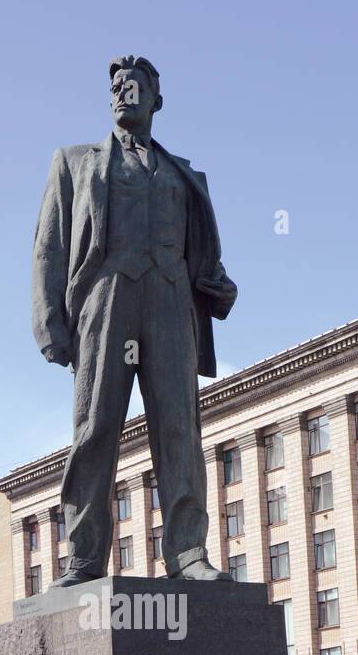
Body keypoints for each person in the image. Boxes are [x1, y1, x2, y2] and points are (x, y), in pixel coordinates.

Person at [32, 55, 237, 585]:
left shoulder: (184, 175)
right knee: (96, 426)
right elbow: (49, 247)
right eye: (117, 87)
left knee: (179, 428)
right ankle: (84, 556)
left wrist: (219, 283)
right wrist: (48, 320)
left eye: (135, 86)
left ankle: (188, 552)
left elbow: (202, 255)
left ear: (156, 100)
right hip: (105, 301)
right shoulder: (75, 162)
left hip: (170, 303)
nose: (124, 93)